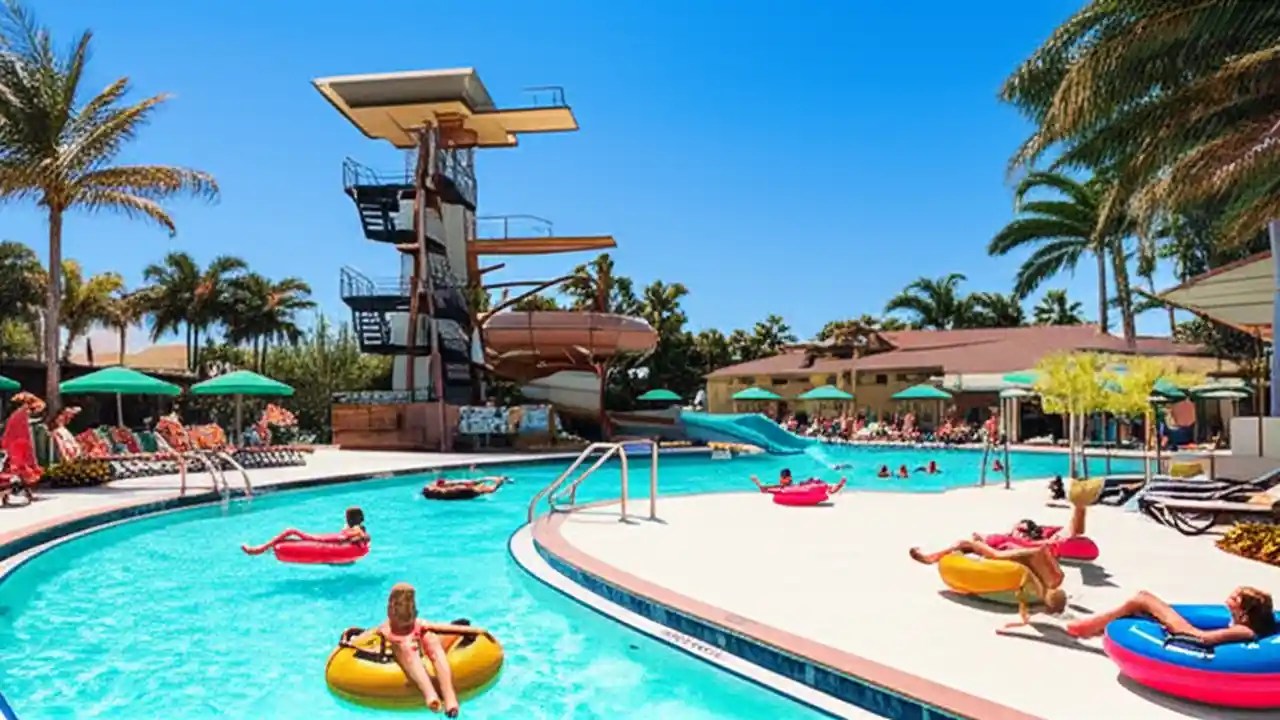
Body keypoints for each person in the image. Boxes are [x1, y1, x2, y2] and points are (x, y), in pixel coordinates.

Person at [349, 583, 482, 716]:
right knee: (409, 650)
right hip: (408, 651)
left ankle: (449, 696)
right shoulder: (387, 629)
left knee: (432, 641)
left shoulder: (416, 625)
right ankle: (431, 694)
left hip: (416, 648)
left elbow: (443, 628)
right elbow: (370, 637)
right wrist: (354, 641)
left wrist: (471, 630)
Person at [910, 538, 1069, 625]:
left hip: (1019, 559)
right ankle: (935, 557)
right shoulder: (1047, 584)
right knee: (968, 545)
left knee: (966, 544)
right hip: (1025, 561)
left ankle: (932, 558)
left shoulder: (1042, 585)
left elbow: (1035, 555)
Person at [1067, 587, 1276, 645]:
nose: (1230, 596)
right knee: (1141, 602)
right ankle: (1096, 625)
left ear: (1244, 611)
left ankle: (1090, 626)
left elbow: (1204, 639)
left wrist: (1175, 634)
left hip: (1190, 634)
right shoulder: (1242, 624)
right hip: (1191, 632)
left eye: (1235, 598)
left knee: (1142, 598)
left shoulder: (1243, 630)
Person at [242, 506, 369, 555]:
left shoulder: (356, 529)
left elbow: (363, 537)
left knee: (291, 531)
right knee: (290, 539)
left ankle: (259, 550)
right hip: (329, 539)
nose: (346, 519)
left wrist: (349, 538)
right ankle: (264, 549)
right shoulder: (350, 527)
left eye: (347, 517)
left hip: (328, 540)